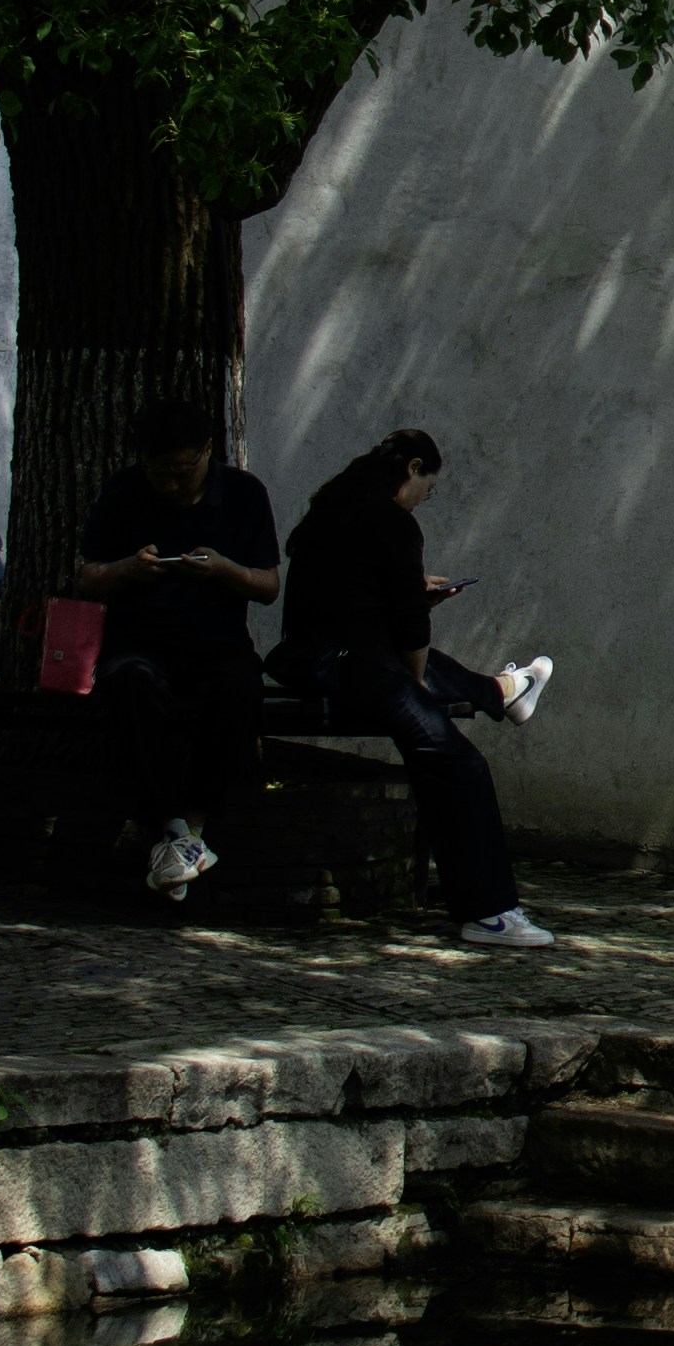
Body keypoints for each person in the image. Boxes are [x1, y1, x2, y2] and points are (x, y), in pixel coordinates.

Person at [275, 429, 555, 952]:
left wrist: (408, 593)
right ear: (414, 468)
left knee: (437, 720)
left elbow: (347, 597)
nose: (428, 495)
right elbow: (408, 634)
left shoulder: (331, 508)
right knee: (457, 762)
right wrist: (418, 671)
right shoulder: (393, 522)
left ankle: (501, 692)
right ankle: (489, 913)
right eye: (430, 486)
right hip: (351, 664)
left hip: (306, 656)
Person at [76, 398, 284, 903]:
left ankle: (191, 826)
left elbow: (267, 585)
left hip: (218, 642)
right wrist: (129, 567)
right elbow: (86, 577)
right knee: (128, 687)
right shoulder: (125, 490)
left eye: (181, 470)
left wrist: (223, 571)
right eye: (158, 472)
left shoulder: (243, 493)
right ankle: (175, 830)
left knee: (238, 691)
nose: (170, 483)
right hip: (140, 641)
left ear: (207, 452)